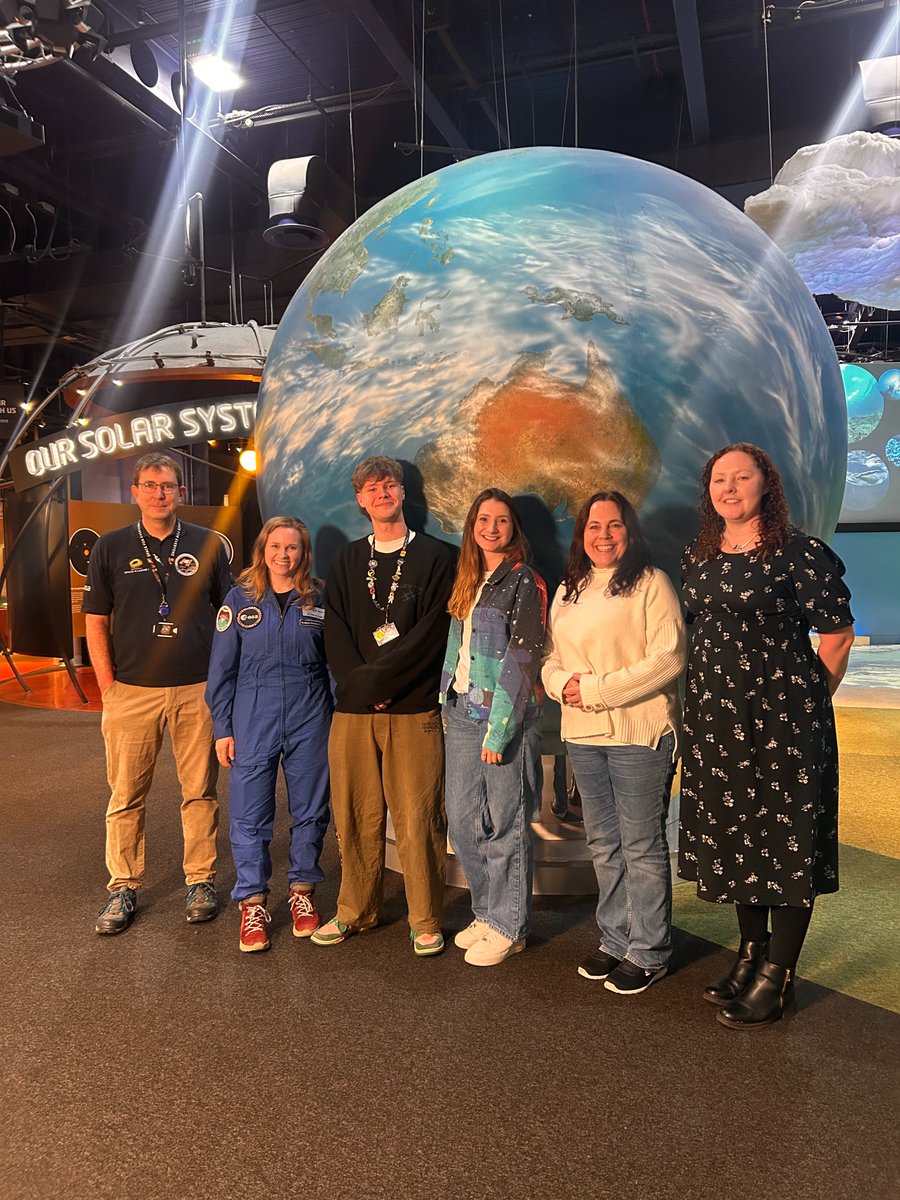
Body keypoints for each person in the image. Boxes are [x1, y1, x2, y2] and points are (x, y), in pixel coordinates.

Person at [678, 443, 854, 1029]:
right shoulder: (698, 555)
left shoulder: (798, 553)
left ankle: (778, 976)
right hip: (717, 724)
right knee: (737, 838)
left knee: (785, 841)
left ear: (765, 485)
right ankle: (750, 955)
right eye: (719, 479)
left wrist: (804, 704)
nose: (729, 488)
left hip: (784, 728)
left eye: (742, 477)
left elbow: (837, 636)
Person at [543, 491, 686, 995]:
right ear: (581, 535)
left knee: (641, 846)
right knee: (604, 844)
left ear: (630, 531)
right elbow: (550, 657)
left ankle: (649, 951)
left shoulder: (652, 583)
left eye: (614, 525)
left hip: (638, 734)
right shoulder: (570, 588)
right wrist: (562, 685)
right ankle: (616, 938)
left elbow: (668, 659)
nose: (603, 536)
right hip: (583, 734)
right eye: (594, 527)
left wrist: (596, 691)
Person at [83, 452, 232, 935]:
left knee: (200, 792)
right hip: (131, 692)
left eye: (167, 485)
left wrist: (221, 683)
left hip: (197, 689)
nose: (159, 494)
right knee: (126, 795)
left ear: (180, 492)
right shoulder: (110, 546)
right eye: (149, 485)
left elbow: (227, 618)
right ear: (135, 492)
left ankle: (201, 880)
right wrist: (108, 687)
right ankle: (123, 886)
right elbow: (96, 621)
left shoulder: (208, 544)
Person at [314, 455, 456, 956]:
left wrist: (380, 684)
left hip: (413, 709)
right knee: (355, 815)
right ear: (361, 500)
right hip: (354, 713)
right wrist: (362, 689)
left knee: (419, 817)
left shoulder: (437, 558)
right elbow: (335, 633)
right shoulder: (348, 561)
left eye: (389, 484)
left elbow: (432, 635)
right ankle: (355, 910)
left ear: (403, 492)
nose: (382, 493)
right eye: (372, 488)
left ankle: (426, 919)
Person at [205, 517, 333, 953]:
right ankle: (253, 900)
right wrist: (223, 727)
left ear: (304, 553)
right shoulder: (239, 599)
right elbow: (221, 669)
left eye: (292, 547)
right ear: (262, 550)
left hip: (310, 709)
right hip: (252, 711)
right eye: (275, 546)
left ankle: (302, 891)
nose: (283, 555)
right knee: (249, 811)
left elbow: (334, 663)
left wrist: (338, 715)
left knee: (311, 808)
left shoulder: (318, 598)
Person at [439, 489, 547, 967]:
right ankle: (485, 912)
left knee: (506, 823)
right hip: (462, 710)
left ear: (513, 528)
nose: (491, 528)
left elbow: (522, 660)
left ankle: (509, 925)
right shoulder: (468, 578)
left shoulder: (524, 580)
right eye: (484, 519)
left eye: (501, 520)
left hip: (503, 718)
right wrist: (445, 698)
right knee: (462, 821)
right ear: (472, 526)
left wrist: (498, 730)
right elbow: (457, 645)